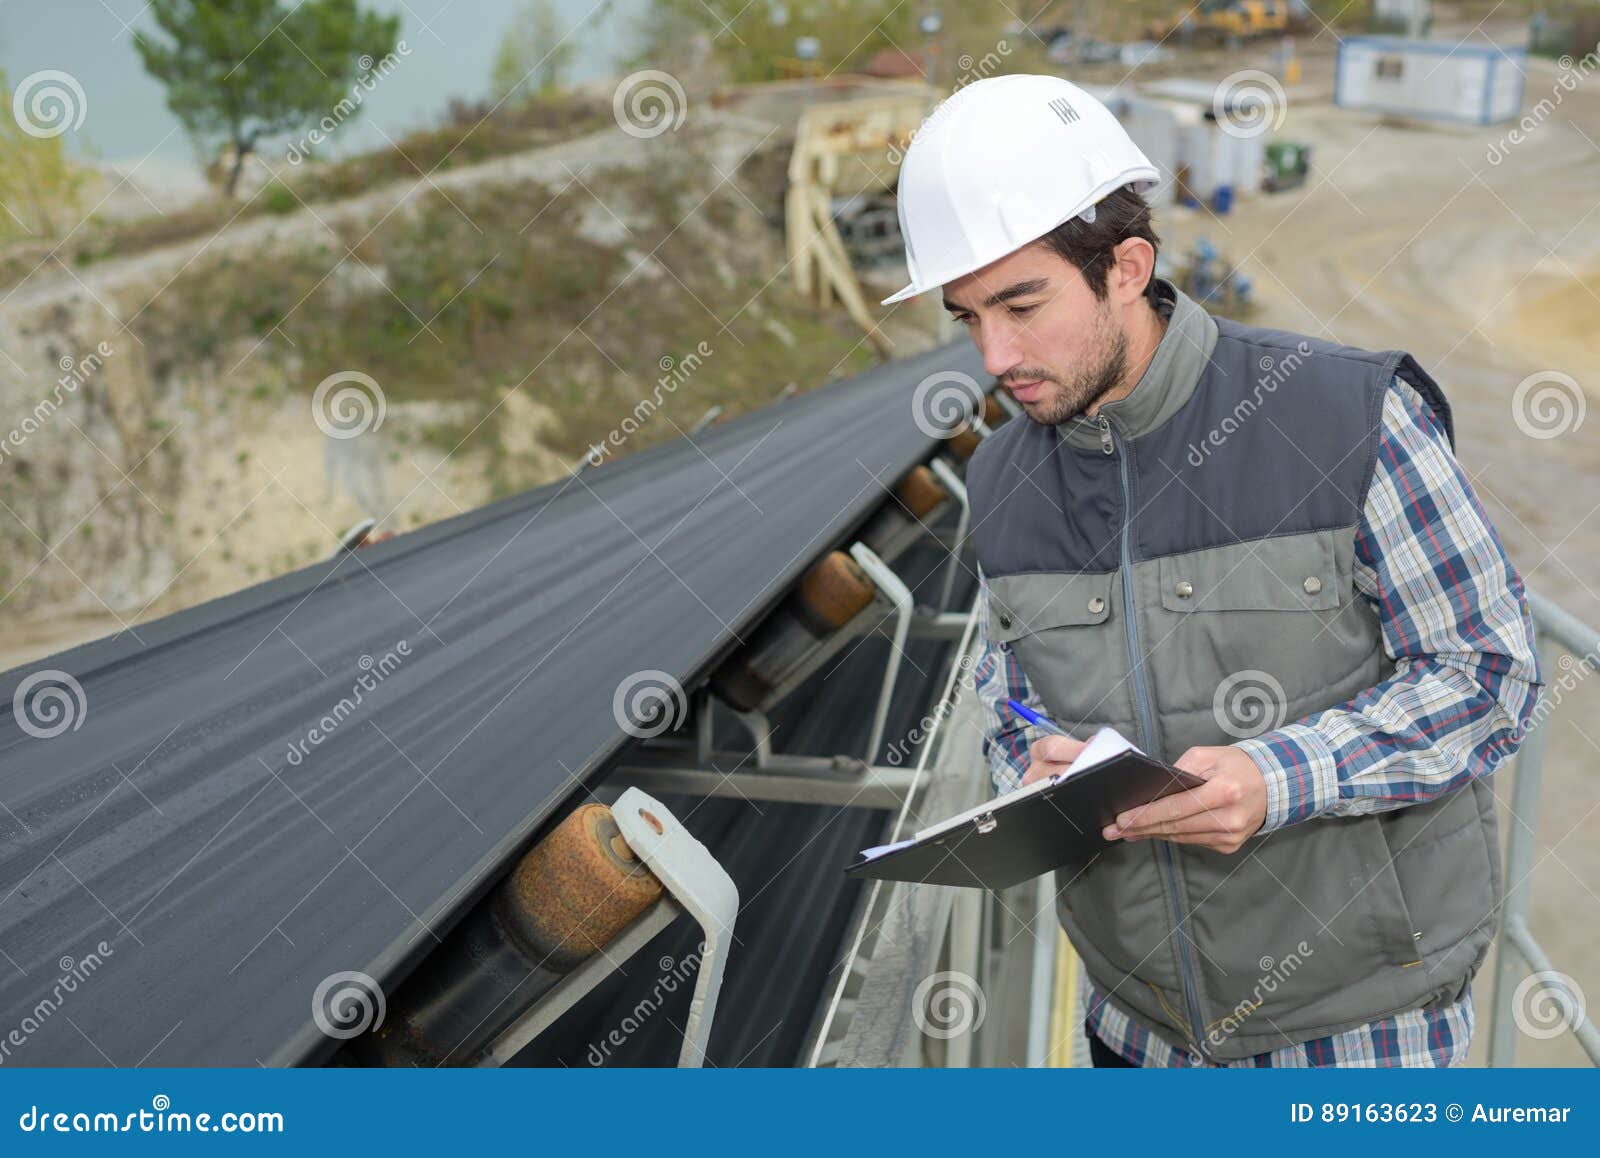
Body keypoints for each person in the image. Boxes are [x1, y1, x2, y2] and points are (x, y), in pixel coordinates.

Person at [883, 74, 1543, 1067]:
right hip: (1130, 1031)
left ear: (1124, 267)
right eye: (968, 316)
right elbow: (1006, 680)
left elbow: (1488, 674)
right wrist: (1029, 760)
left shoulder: (1344, 417)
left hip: (1355, 1032)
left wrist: (1278, 779)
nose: (995, 355)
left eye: (1021, 304)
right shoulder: (1006, 479)